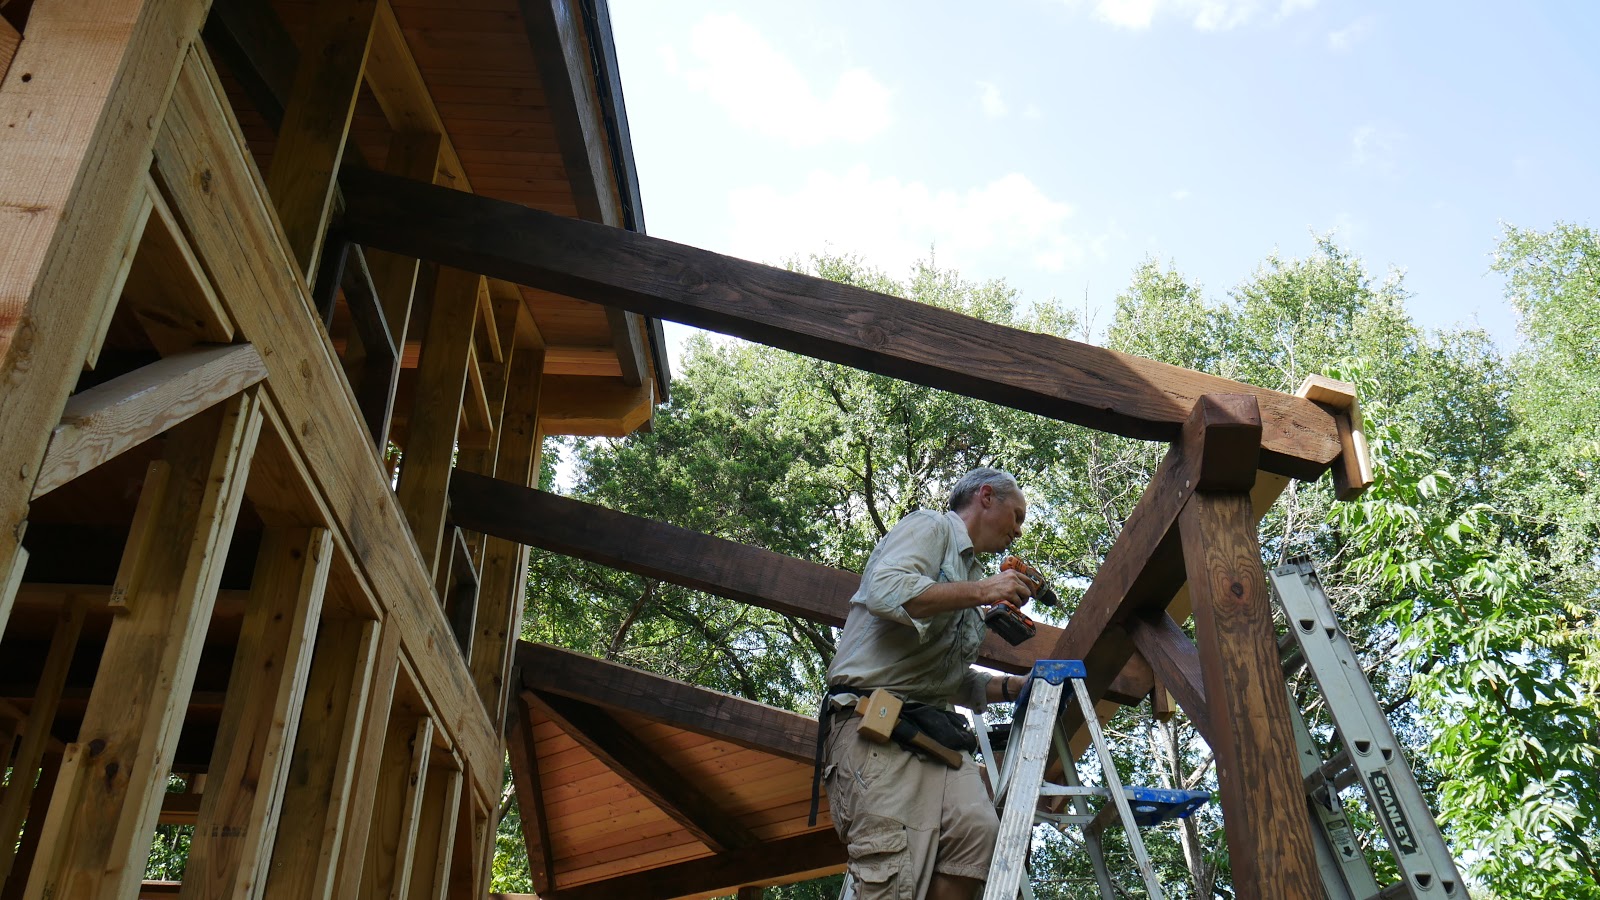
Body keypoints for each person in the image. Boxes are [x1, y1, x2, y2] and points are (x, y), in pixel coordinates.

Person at [819, 467, 1037, 900]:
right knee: (893, 875)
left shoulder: (973, 577)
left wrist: (1016, 686)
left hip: (933, 734)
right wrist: (983, 590)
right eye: (1017, 516)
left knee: (978, 834)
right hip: (873, 725)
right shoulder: (930, 527)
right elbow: (886, 589)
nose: (1018, 531)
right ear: (986, 496)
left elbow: (946, 679)